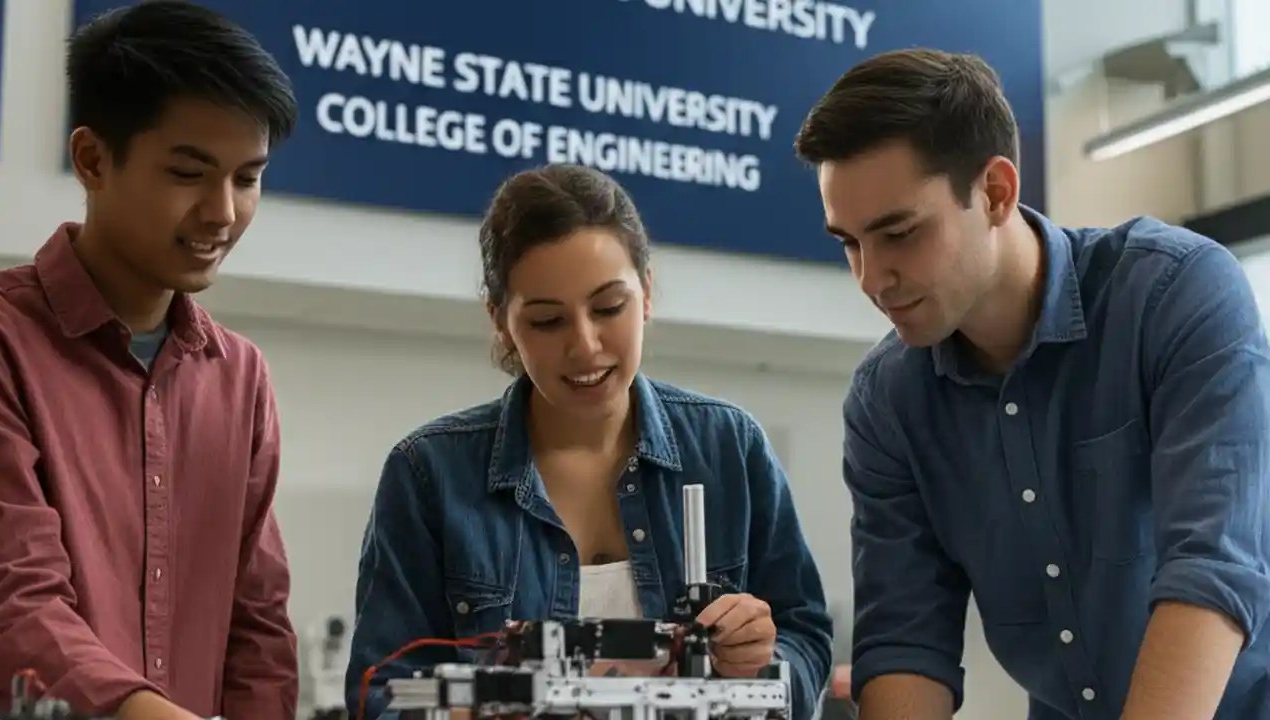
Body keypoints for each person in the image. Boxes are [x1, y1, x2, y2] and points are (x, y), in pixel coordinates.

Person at [793, 48, 1270, 720]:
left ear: (995, 192)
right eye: (849, 243)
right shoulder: (887, 402)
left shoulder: (1174, 295)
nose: (871, 278)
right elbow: (905, 640)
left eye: (898, 233)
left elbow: (1212, 570)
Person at [345, 163, 834, 720]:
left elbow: (806, 639)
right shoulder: (428, 474)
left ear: (646, 293)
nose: (584, 345)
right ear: (500, 321)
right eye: (547, 321)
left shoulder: (730, 449)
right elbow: (379, 690)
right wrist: (475, 710)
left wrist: (763, 664)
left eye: (608, 308)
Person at [0, 2, 300, 718]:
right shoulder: (3, 342)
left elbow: (257, 628)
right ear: (93, 160)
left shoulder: (240, 376)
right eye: (189, 173)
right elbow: (13, 601)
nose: (223, 212)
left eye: (247, 178)